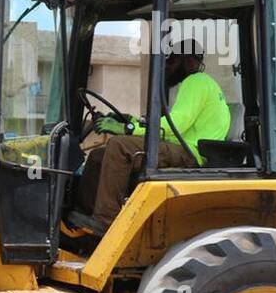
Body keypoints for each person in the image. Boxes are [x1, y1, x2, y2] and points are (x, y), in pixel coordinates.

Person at [72, 41, 230, 235]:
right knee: (98, 155)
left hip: (190, 153)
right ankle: (85, 213)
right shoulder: (206, 85)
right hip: (184, 147)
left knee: (119, 145)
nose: (168, 67)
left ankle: (105, 219)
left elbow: (175, 125)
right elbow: (171, 123)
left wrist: (127, 128)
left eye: (172, 60)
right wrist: (131, 120)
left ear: (187, 61)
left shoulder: (195, 82)